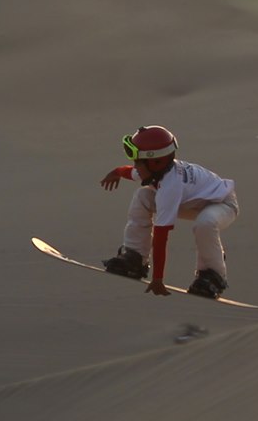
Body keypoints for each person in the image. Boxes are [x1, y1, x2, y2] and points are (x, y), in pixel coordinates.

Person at [99, 124, 238, 298]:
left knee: (205, 223)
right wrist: (116, 172)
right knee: (143, 196)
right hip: (193, 203)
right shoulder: (154, 170)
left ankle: (213, 275)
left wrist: (158, 279)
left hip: (223, 204)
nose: (135, 166)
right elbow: (129, 172)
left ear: (155, 162)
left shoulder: (170, 187)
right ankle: (135, 257)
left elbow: (161, 236)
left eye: (138, 162)